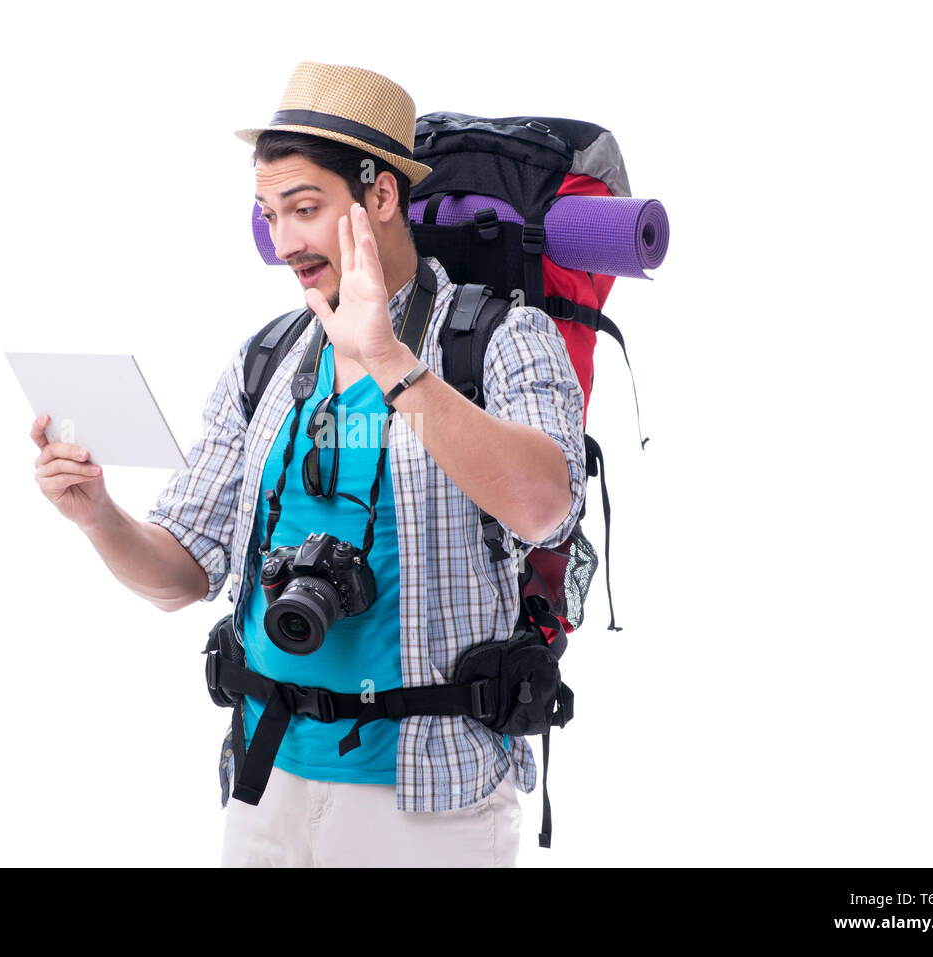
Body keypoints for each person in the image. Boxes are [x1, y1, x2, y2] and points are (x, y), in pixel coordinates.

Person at [29, 61, 588, 867]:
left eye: (305, 208)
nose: (284, 241)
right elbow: (183, 570)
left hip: (434, 802)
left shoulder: (499, 340)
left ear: (382, 198)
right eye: (269, 214)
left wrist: (394, 361)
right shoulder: (266, 360)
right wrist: (97, 516)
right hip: (267, 784)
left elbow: (543, 507)